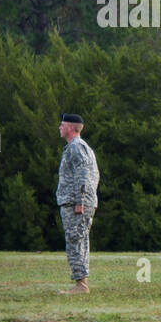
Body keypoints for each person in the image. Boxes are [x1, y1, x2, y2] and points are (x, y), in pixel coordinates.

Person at [55, 113, 100, 295]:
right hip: (79, 201)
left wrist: (80, 201)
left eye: (62, 124)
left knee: (75, 241)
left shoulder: (76, 147)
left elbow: (83, 174)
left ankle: (81, 285)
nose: (59, 127)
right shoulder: (80, 147)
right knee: (80, 240)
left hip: (76, 203)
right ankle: (81, 282)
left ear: (72, 128)